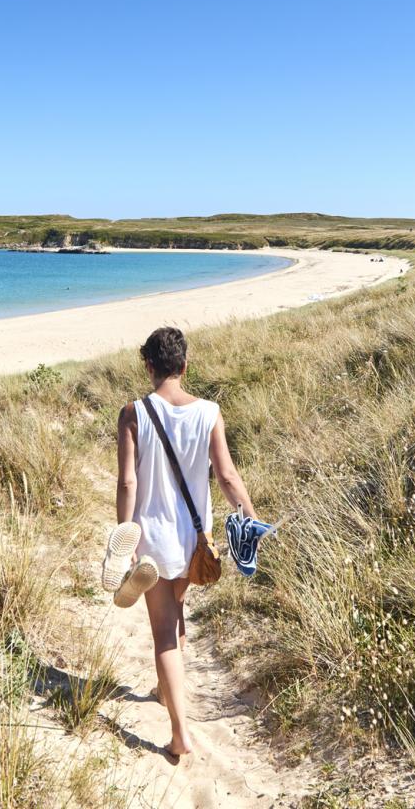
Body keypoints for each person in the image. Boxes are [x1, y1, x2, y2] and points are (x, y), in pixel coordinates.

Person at [103, 326, 259, 765]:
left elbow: (127, 481)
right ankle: (162, 689)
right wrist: (248, 514)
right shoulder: (210, 412)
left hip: (152, 539)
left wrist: (125, 535)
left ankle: (179, 735)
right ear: (184, 366)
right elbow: (226, 477)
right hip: (195, 538)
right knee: (178, 612)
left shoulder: (132, 414)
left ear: (148, 366)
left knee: (163, 635)